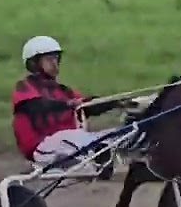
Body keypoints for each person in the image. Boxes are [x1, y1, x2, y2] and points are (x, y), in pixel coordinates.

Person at [11, 35, 129, 176]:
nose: (54, 63)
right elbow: (35, 106)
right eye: (49, 59)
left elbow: (87, 106)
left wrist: (116, 102)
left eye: (56, 58)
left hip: (70, 143)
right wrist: (68, 104)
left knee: (119, 133)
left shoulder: (63, 90)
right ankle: (96, 156)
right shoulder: (24, 87)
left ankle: (102, 156)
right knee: (70, 137)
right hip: (41, 147)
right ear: (33, 63)